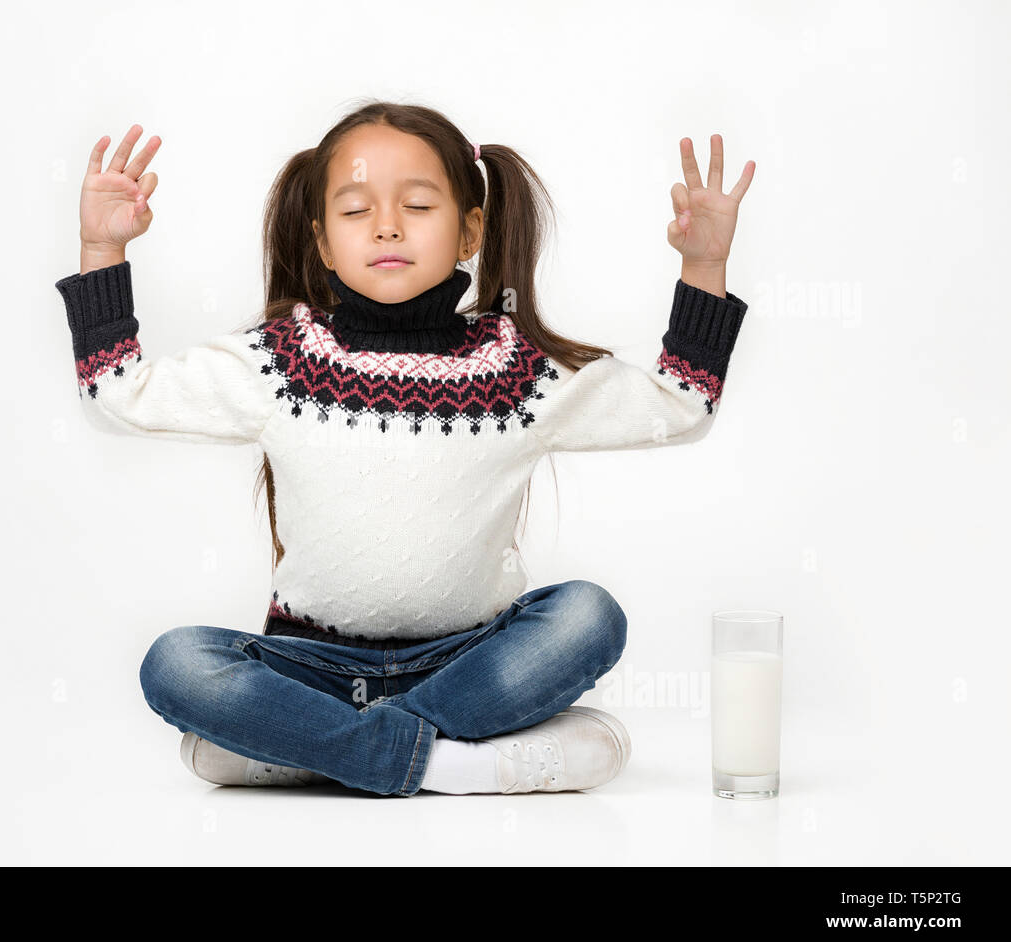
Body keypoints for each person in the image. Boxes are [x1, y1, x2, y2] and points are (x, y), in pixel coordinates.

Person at [53, 101, 754, 796]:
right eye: (356, 211)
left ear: (470, 230)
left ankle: (313, 749)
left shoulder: (518, 372)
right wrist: (102, 250)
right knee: (177, 662)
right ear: (324, 241)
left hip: (468, 665)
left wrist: (705, 264)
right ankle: (446, 760)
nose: (386, 225)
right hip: (309, 666)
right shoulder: (282, 360)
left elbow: (682, 405)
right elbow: (117, 394)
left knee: (587, 616)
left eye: (418, 205)